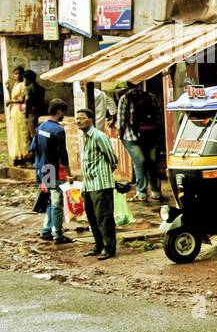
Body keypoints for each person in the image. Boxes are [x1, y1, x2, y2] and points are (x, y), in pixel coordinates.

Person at [74, 108, 119, 260]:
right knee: (92, 218)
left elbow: (113, 159)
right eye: (77, 119)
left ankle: (109, 248)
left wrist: (106, 174)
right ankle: (98, 245)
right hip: (88, 185)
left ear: (90, 119)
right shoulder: (84, 137)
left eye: (81, 118)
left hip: (101, 184)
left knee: (104, 217)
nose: (78, 121)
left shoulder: (99, 136)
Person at [31, 99, 71, 245]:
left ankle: (46, 230)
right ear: (59, 112)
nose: (63, 116)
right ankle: (58, 234)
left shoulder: (41, 126)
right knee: (56, 202)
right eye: (63, 113)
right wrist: (69, 173)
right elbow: (63, 153)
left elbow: (33, 147)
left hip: (41, 168)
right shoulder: (58, 130)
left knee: (49, 201)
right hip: (51, 169)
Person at [117, 81, 163, 202]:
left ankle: (142, 193)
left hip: (131, 136)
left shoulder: (125, 98)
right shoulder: (151, 97)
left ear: (128, 85)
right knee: (152, 162)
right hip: (150, 135)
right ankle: (156, 191)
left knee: (140, 162)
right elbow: (159, 117)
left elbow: (121, 119)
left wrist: (121, 135)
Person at [6, 65, 30, 165]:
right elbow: (14, 96)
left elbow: (22, 100)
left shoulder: (23, 85)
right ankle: (17, 156)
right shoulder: (16, 84)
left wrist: (10, 101)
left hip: (20, 110)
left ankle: (25, 155)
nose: (17, 76)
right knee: (15, 133)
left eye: (18, 74)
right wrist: (8, 89)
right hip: (14, 110)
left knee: (22, 132)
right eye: (15, 74)